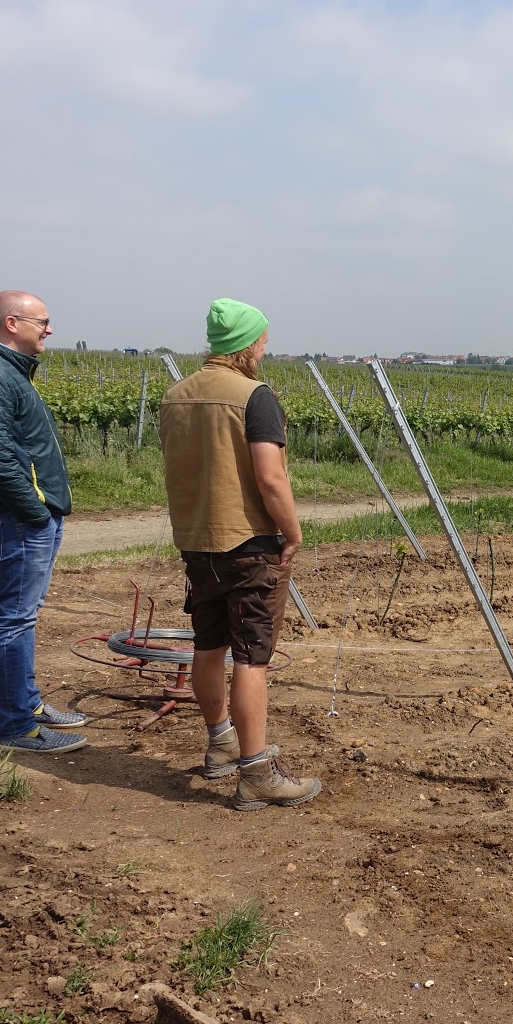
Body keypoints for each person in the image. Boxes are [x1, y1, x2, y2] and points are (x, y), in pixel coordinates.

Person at [159, 298, 320, 810]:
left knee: (207, 645)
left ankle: (221, 742)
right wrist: (291, 532)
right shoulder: (256, 397)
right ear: (247, 345)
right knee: (253, 657)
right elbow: (270, 478)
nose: (265, 350)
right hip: (249, 543)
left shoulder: (175, 395)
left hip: (196, 541)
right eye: (263, 342)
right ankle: (256, 772)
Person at [0, 291, 86, 753]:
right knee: (12, 619)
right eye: (43, 321)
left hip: (28, 516)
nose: (49, 329)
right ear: (13, 323)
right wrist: (35, 512)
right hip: (18, 519)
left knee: (22, 617)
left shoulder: (8, 370)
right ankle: (17, 729)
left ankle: (27, 704)